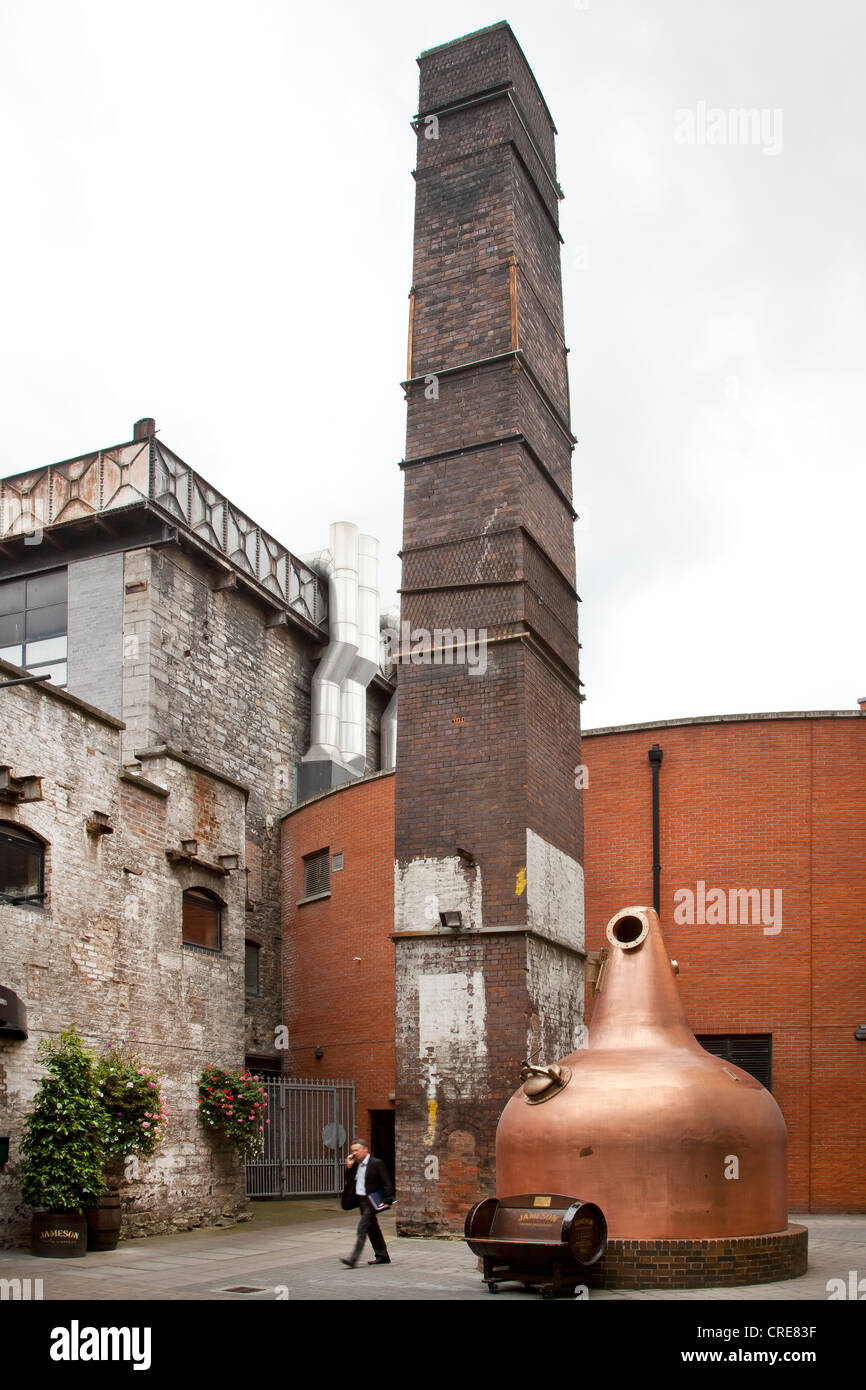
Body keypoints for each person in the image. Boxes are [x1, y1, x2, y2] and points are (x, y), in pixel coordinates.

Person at [340, 1138, 394, 1268]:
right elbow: (350, 1182)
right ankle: (382, 1256)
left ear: (365, 1149)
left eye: (356, 1150)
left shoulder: (376, 1163)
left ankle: (353, 1259)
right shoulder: (356, 1164)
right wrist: (349, 1167)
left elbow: (387, 1182)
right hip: (361, 1201)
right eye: (352, 1151)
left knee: (362, 1228)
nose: (354, 1153)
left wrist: (388, 1200)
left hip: (371, 1200)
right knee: (372, 1228)